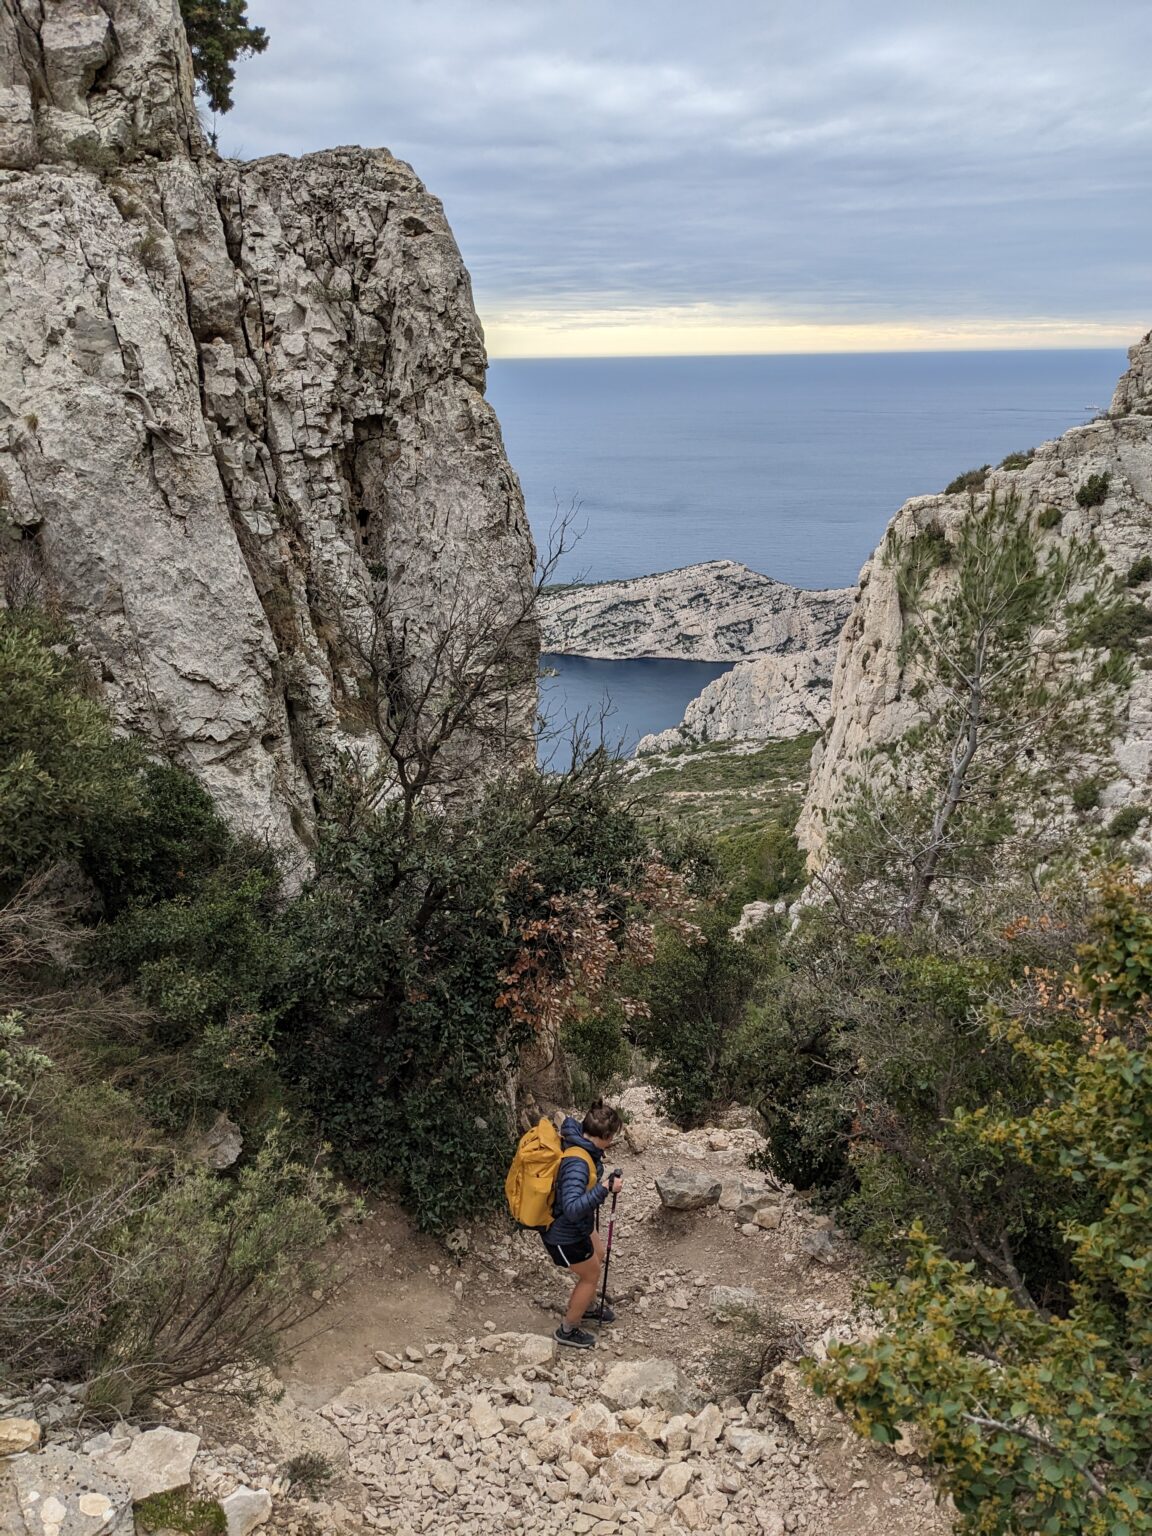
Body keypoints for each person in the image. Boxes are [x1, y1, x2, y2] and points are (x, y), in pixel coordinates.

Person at [541, 1101, 624, 1349]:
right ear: (605, 1137)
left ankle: (586, 1306)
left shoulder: (582, 1145)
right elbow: (573, 1208)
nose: (612, 1142)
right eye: (612, 1138)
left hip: (577, 1227)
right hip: (564, 1234)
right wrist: (604, 1189)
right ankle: (568, 1329)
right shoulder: (577, 1162)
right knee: (591, 1275)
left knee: (598, 1253)